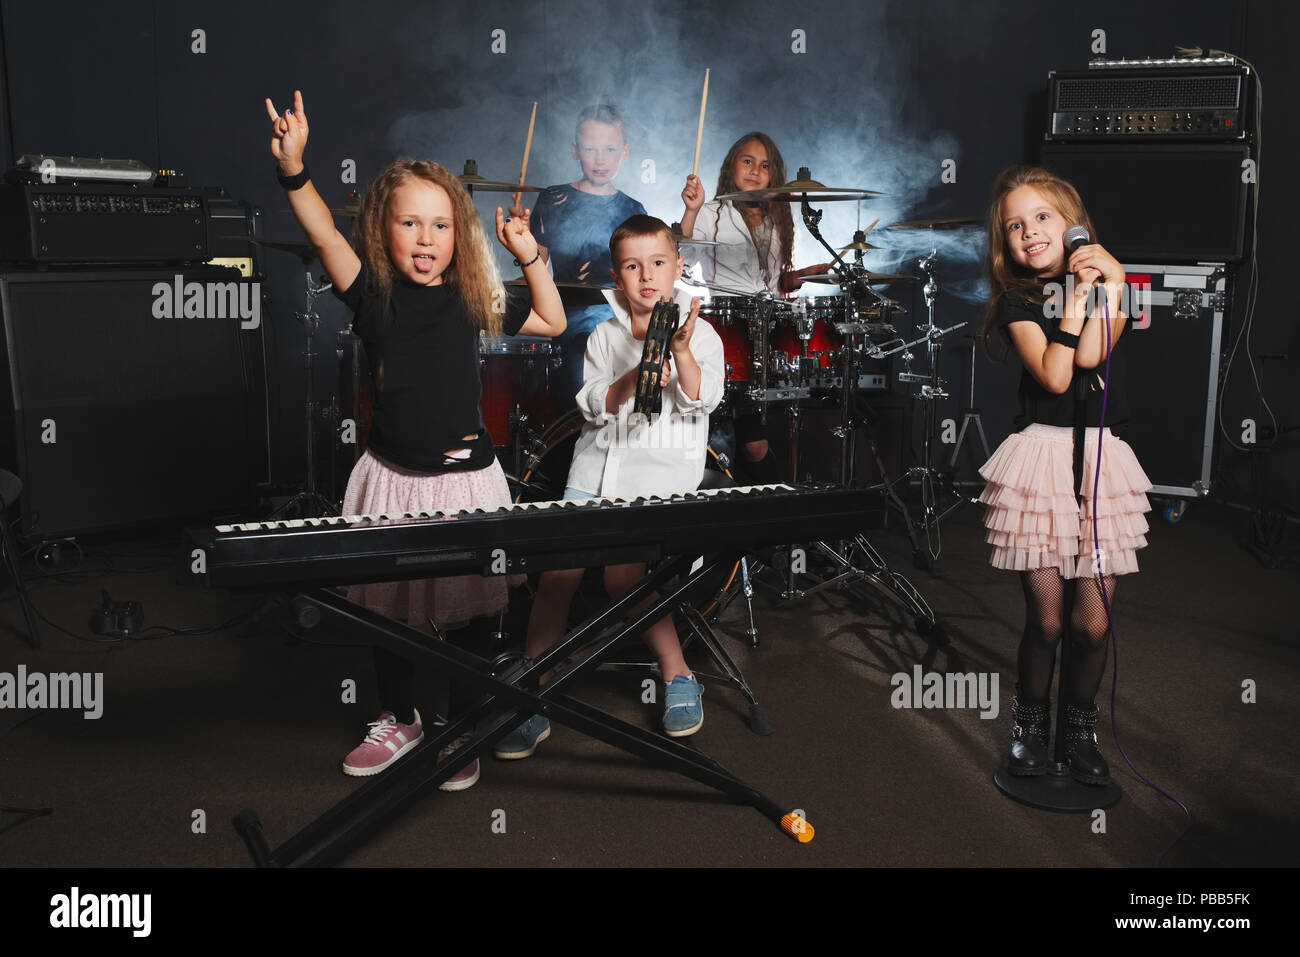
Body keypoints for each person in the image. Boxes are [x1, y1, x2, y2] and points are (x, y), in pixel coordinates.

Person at [266, 90, 565, 789]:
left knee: (468, 610)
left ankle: (462, 723)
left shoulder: (474, 298)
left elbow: (551, 320)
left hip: (466, 479)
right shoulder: (371, 295)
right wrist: (293, 167)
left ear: (458, 234)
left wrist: (529, 253)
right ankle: (399, 716)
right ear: (384, 228)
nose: (426, 239)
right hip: (391, 476)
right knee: (387, 610)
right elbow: (322, 237)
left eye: (439, 225)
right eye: (410, 223)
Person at [493, 214, 724, 758]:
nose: (647, 275)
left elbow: (700, 399)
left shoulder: (704, 333)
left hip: (657, 481)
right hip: (592, 476)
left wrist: (680, 352)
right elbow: (594, 405)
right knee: (557, 575)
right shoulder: (603, 334)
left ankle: (678, 675)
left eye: (659, 263)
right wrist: (637, 370)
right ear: (618, 277)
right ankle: (535, 691)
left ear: (678, 267)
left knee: (626, 580)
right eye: (632, 266)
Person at [978, 165, 1152, 785]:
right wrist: (1076, 301)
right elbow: (1054, 375)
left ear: (1071, 221)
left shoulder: (1117, 285)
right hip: (1044, 459)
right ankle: (1029, 731)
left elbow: (1088, 355)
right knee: (1048, 619)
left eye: (1042, 218)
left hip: (1101, 460)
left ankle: (1077, 733)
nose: (1029, 232)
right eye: (1015, 226)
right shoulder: (1016, 301)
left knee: (1092, 620)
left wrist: (1111, 285)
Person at [680, 132, 829, 484]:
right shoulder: (712, 212)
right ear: (731, 166)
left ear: (773, 176)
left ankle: (770, 509)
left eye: (764, 166)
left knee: (756, 444)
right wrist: (690, 210)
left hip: (765, 333)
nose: (755, 170)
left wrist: (802, 276)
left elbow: (777, 283)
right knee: (731, 438)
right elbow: (681, 257)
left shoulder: (780, 218)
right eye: (747, 161)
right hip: (725, 330)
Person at [510, 104, 647, 411]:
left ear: (624, 152)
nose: (601, 159)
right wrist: (523, 244)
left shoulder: (634, 210)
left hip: (620, 319)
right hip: (565, 318)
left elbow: (643, 277)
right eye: (590, 148)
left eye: (610, 149)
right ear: (575, 150)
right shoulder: (552, 199)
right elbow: (539, 269)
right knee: (581, 353)